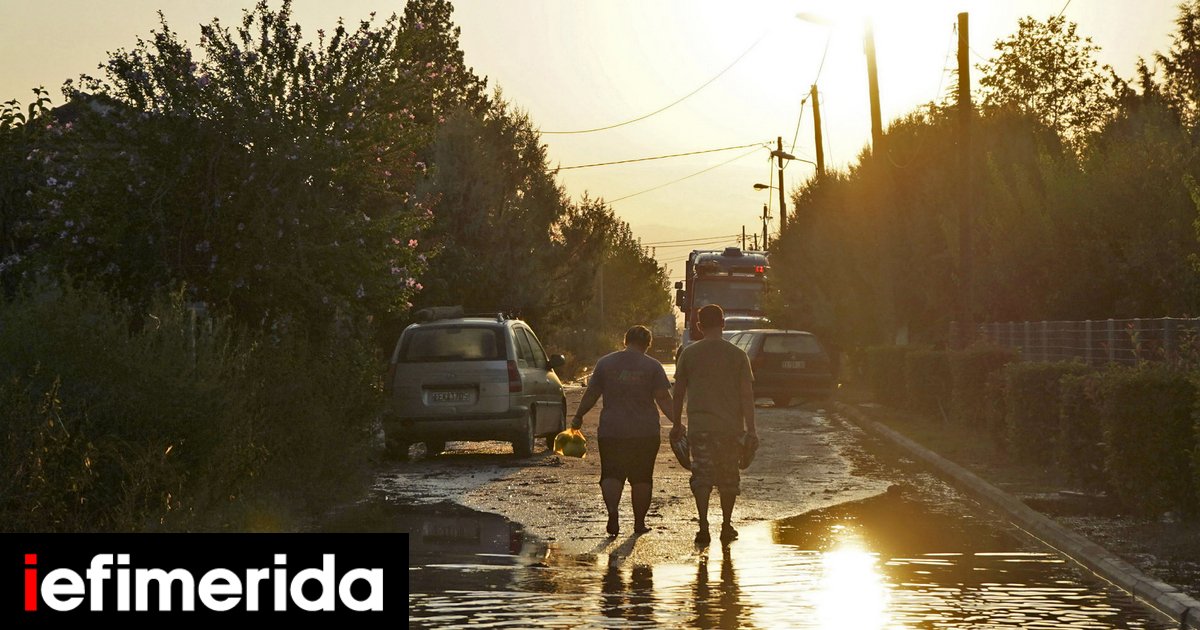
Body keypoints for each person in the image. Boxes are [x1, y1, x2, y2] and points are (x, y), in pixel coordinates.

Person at [572, 325, 674, 536]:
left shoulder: (605, 363)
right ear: (648, 344)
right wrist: (678, 422)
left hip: (612, 430)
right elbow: (663, 398)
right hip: (645, 432)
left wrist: (578, 415)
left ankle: (612, 512)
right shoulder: (653, 366)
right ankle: (639, 523)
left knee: (611, 473)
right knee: (642, 477)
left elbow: (592, 393)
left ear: (625, 340)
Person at [671, 304, 757, 546]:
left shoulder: (689, 353)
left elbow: (678, 393)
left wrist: (677, 423)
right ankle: (726, 525)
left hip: (700, 427)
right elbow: (746, 396)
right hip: (730, 429)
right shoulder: (738, 355)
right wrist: (751, 429)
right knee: (729, 477)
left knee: (702, 477)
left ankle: (703, 525)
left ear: (699, 326)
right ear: (724, 324)